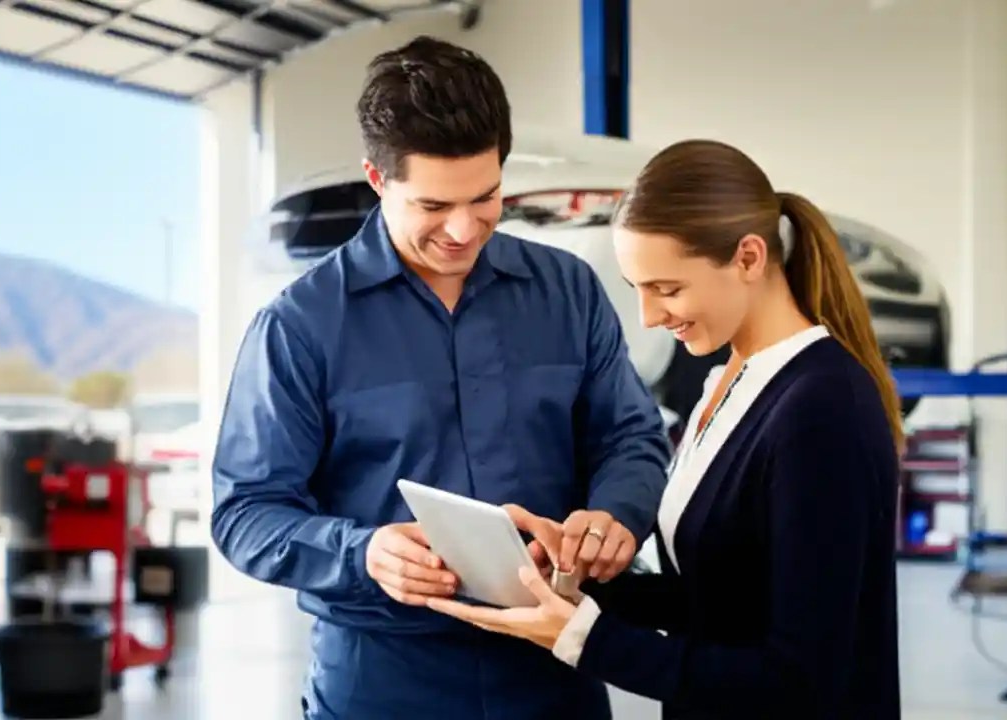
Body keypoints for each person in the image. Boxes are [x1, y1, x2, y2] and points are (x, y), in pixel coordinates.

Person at [209, 35, 670, 720]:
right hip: (382, 677)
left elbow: (630, 436)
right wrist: (363, 553)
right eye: (431, 206)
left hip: (553, 668)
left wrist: (615, 515)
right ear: (377, 177)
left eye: (485, 198)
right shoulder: (300, 325)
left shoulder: (567, 292)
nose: (462, 229)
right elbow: (245, 511)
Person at [428, 138, 904, 719]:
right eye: (639, 292)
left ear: (749, 258)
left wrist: (582, 639)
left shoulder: (822, 407)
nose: (650, 318)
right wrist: (572, 584)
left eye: (668, 289)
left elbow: (799, 678)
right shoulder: (725, 384)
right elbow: (714, 599)